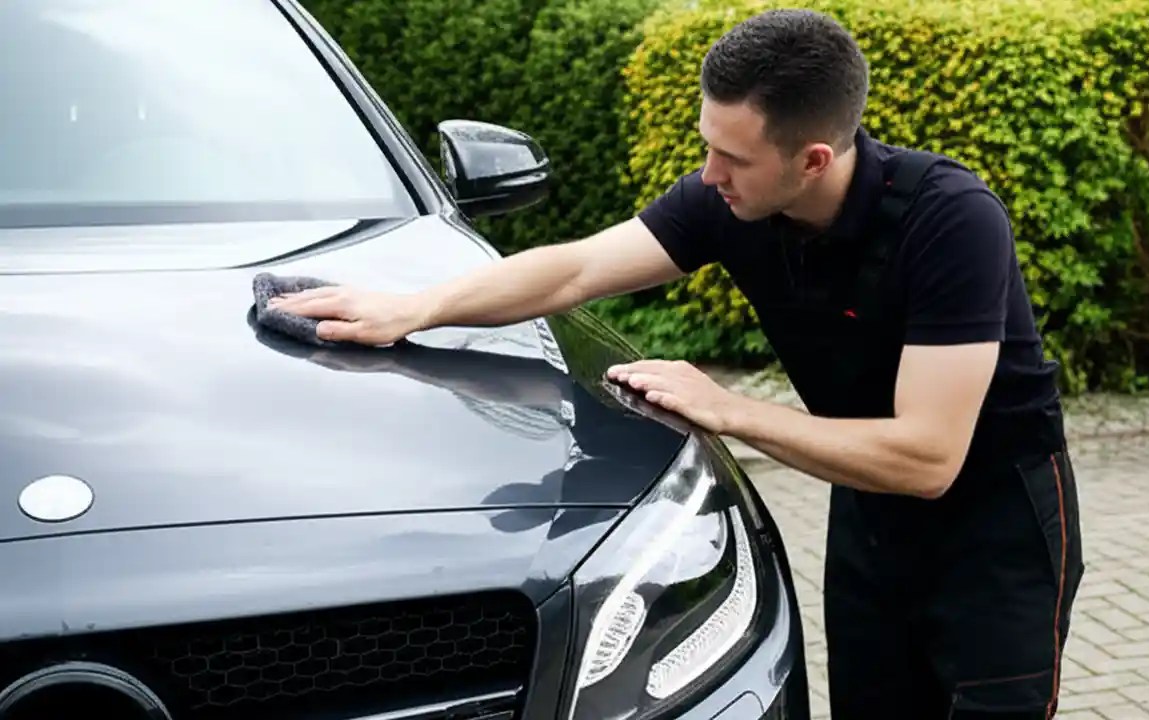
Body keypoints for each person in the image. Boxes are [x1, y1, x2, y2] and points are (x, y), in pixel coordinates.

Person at [270, 8, 1085, 718]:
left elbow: (928, 457)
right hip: (869, 514)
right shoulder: (728, 202)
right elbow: (577, 269)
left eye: (733, 158)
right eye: (708, 145)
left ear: (813, 161)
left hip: (996, 525)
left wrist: (729, 410)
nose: (707, 174)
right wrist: (415, 308)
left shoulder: (951, 221)